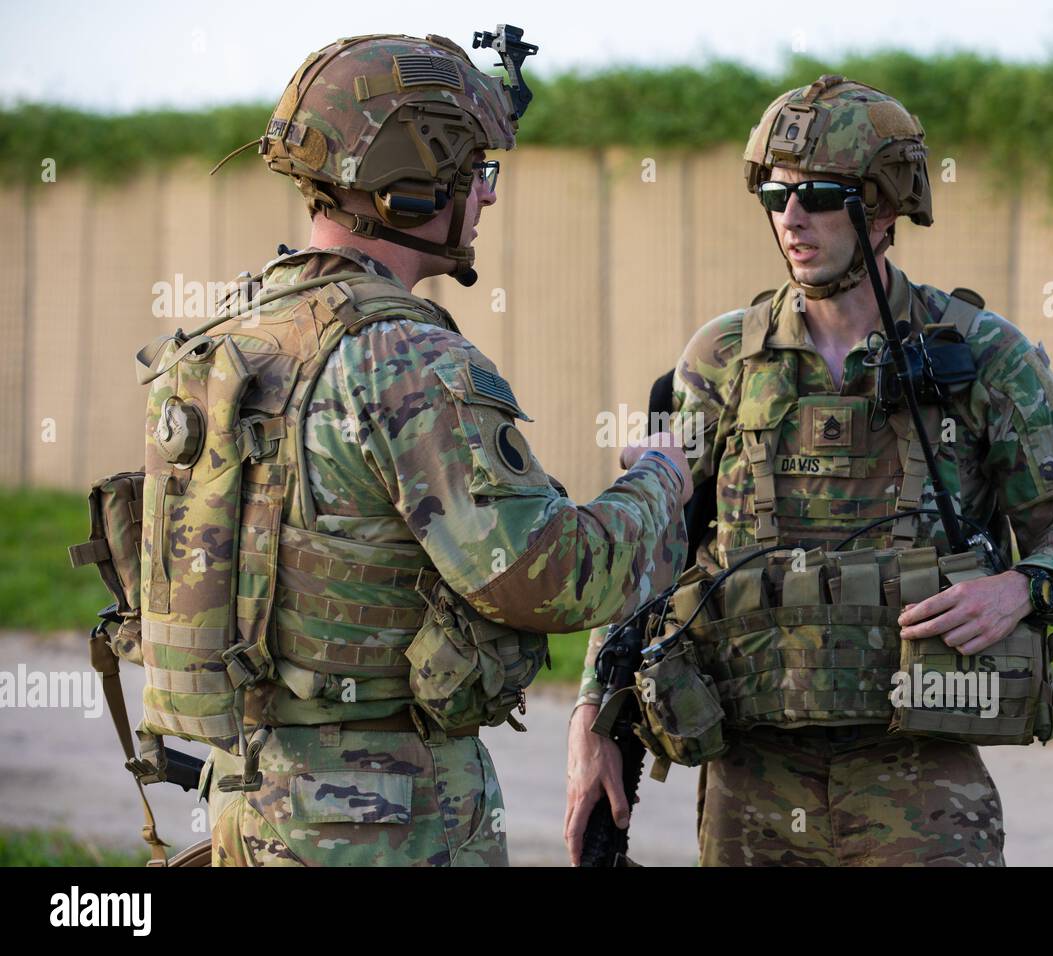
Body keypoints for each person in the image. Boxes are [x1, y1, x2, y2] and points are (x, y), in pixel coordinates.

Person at [130, 30, 690, 867]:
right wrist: (660, 481)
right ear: (411, 187)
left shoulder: (226, 338)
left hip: (249, 807)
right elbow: (553, 576)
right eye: (475, 173)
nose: (487, 200)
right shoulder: (403, 358)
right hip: (385, 821)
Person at [565, 75, 1053, 866]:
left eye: (820, 196)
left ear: (886, 207)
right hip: (750, 771)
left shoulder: (985, 356)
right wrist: (593, 722)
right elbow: (648, 550)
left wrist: (1018, 589)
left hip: (917, 771)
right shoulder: (722, 357)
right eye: (776, 196)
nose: (792, 220)